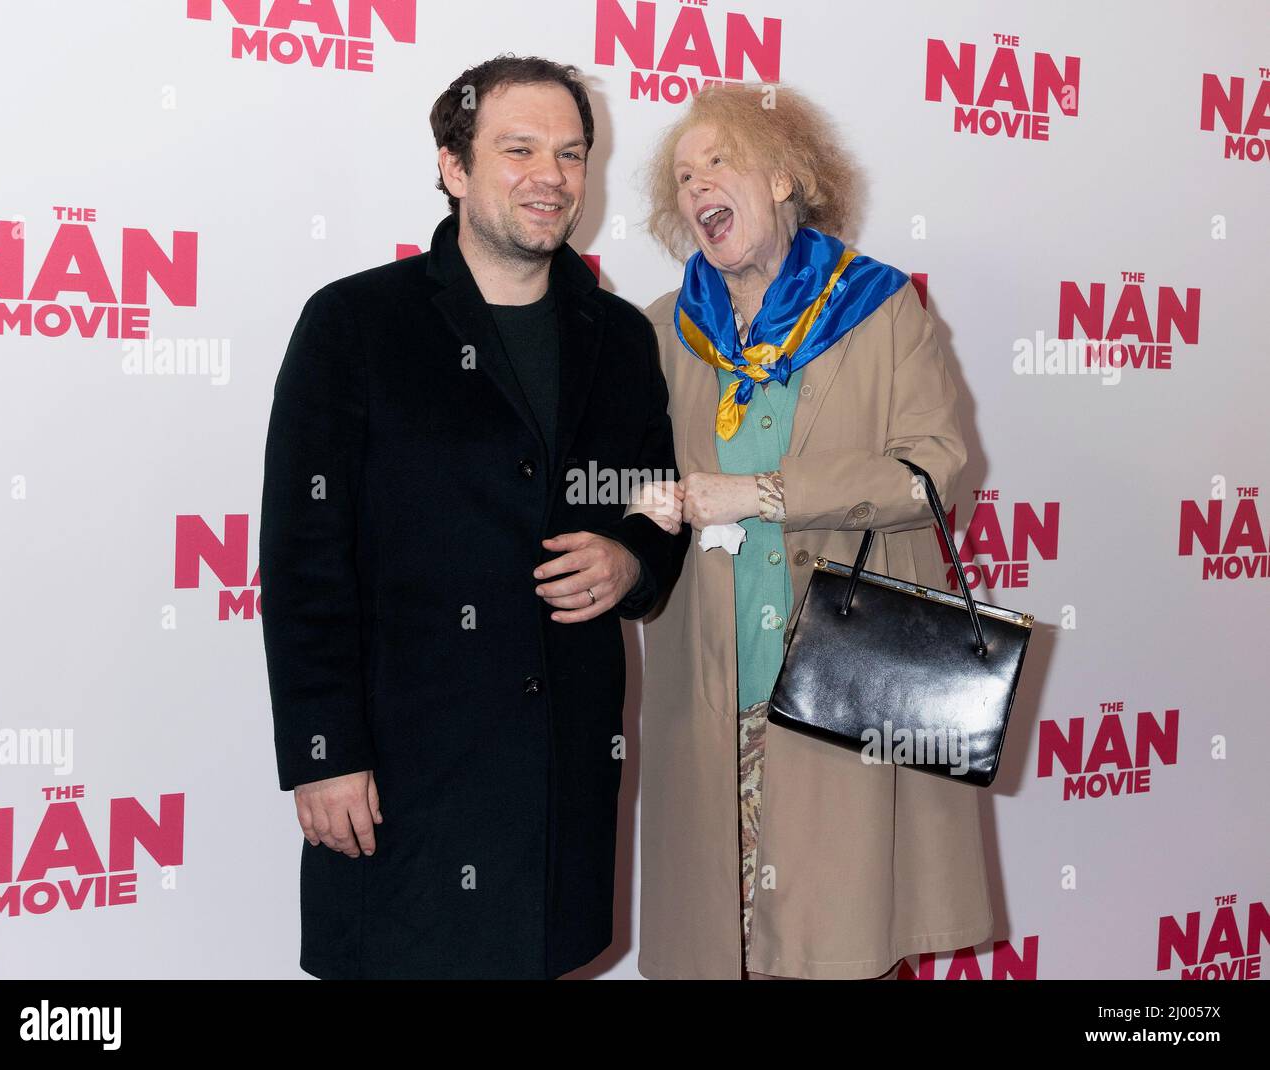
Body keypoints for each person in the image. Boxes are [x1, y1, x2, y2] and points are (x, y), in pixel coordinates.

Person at [259, 55, 684, 979]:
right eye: (518, 149)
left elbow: (657, 503)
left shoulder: (619, 337)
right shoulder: (354, 325)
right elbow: (303, 559)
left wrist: (632, 561)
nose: (552, 177)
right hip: (404, 774)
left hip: (559, 771)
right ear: (453, 166)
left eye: (571, 155)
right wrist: (322, 754)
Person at [629, 83, 993, 980]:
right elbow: (632, 485)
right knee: (723, 951)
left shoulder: (881, 308)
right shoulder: (660, 333)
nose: (697, 183)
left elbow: (932, 468)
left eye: (720, 160)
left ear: (788, 177)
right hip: (709, 689)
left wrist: (761, 491)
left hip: (841, 681)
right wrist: (641, 503)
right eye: (682, 174)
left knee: (837, 944)